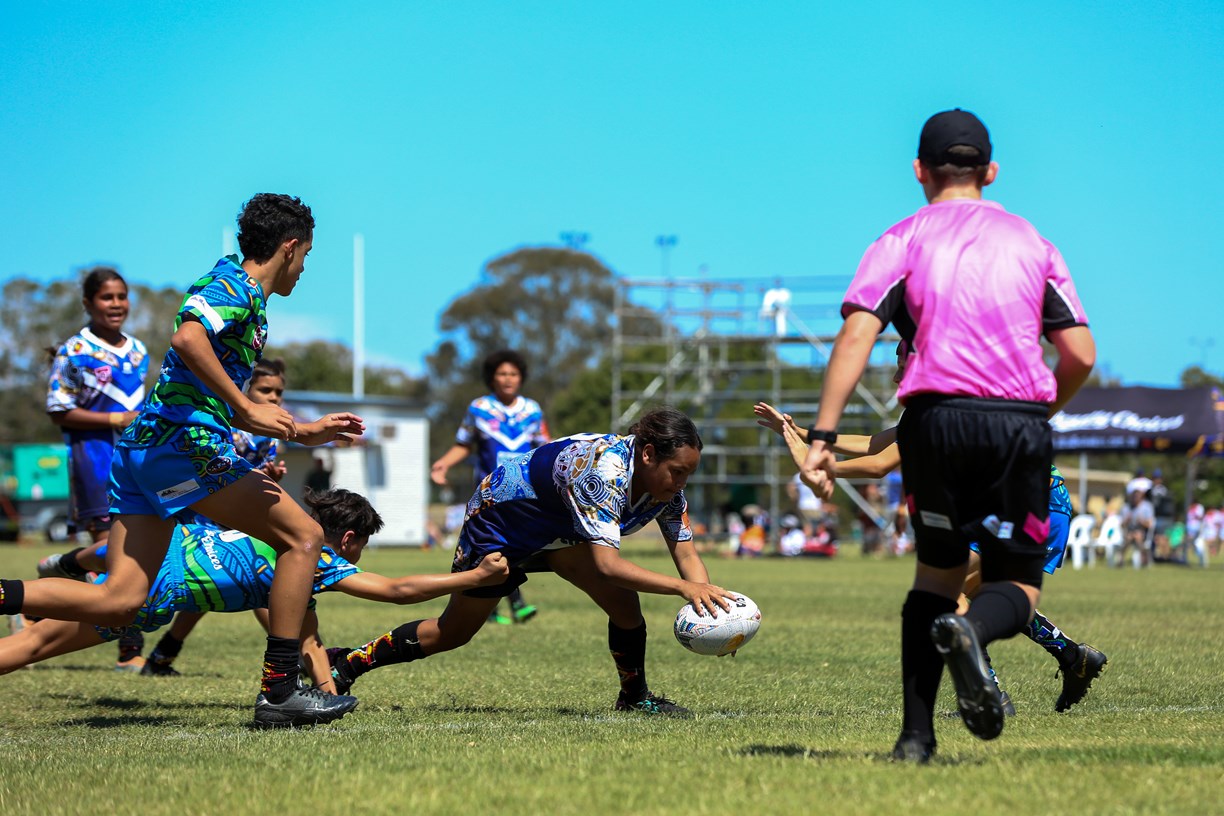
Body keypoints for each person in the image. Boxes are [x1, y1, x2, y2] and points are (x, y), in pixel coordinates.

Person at [0, 193, 367, 728]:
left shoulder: (239, 290)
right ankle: (279, 692)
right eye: (307, 254)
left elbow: (204, 394)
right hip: (180, 449)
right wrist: (245, 404)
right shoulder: (235, 288)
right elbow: (187, 337)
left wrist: (304, 431)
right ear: (289, 248)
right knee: (306, 537)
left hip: (146, 450)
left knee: (123, 600)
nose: (306, 267)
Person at [796, 109, 1096, 762]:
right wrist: (1039, 413)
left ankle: (914, 739)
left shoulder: (900, 238)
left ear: (919, 172)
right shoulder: (1031, 242)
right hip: (1016, 420)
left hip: (932, 419)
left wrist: (822, 431)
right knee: (1016, 585)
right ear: (990, 171)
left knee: (934, 575)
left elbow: (856, 333)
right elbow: (1080, 353)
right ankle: (971, 630)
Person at [329, 407, 735, 717]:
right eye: (677, 472)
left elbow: (686, 553)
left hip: (557, 529)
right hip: (501, 522)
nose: (681, 484)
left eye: (688, 475)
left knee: (624, 606)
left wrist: (715, 612)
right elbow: (610, 565)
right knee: (452, 632)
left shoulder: (666, 490)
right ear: (648, 455)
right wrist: (686, 589)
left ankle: (634, 698)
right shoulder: (603, 472)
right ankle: (348, 663)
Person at [0, 489, 510, 715]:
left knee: (33, 645)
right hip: (156, 588)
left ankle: (33, 583)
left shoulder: (279, 535)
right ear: (349, 539)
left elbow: (304, 638)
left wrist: (329, 693)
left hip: (163, 554)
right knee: (96, 609)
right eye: (363, 545)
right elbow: (397, 592)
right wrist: (472, 576)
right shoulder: (317, 559)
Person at [39, 267, 149, 672]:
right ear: (88, 303)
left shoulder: (138, 350)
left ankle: (61, 570)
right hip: (93, 459)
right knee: (117, 557)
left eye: (122, 296)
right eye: (107, 297)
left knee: (130, 552)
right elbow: (58, 410)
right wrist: (113, 421)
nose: (116, 304)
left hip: (135, 461)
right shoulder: (75, 351)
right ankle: (129, 649)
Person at [430, 350, 550, 625]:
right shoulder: (479, 408)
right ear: (492, 378)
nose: (508, 379)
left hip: (523, 490)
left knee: (512, 546)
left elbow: (545, 446)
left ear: (521, 378)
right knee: (491, 545)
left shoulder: (532, 410)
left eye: (513, 374)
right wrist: (443, 464)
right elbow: (464, 444)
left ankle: (498, 605)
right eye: (502, 374)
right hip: (488, 491)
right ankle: (507, 604)